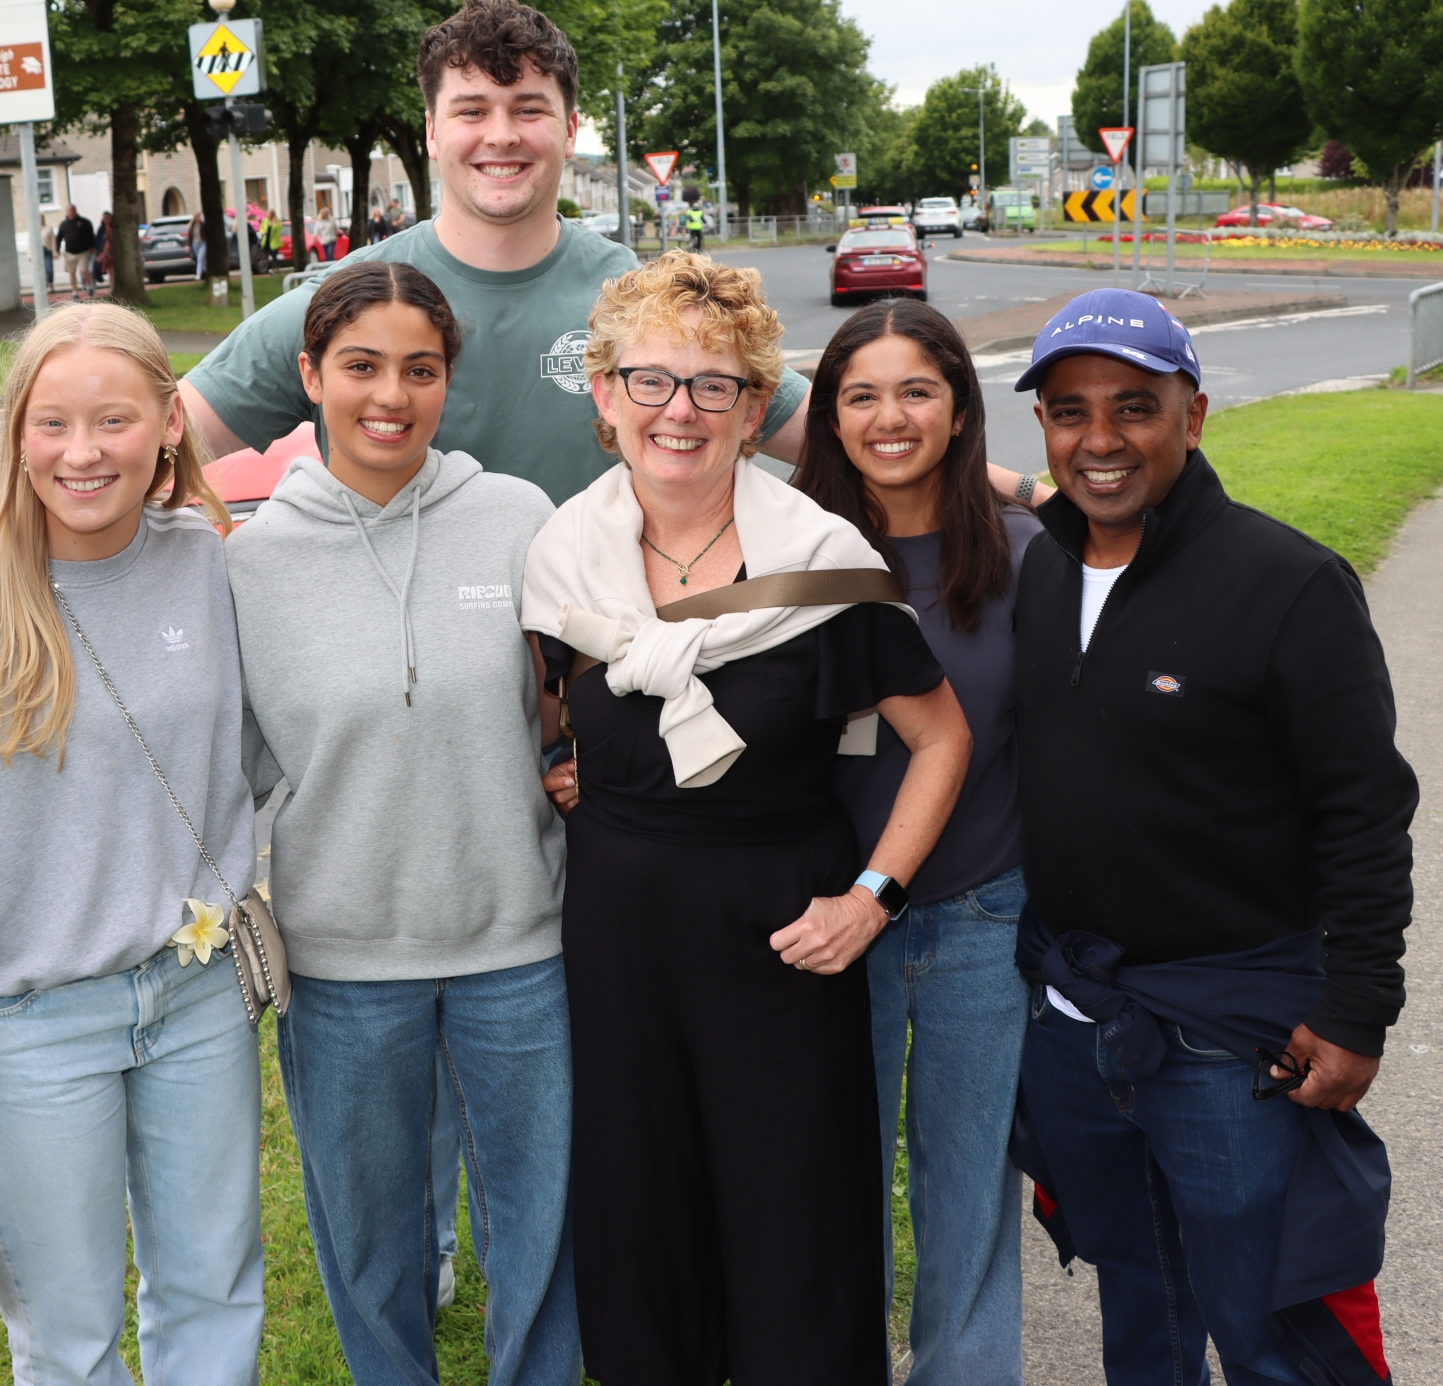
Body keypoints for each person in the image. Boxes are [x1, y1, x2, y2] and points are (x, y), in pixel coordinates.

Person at [0, 0, 814, 545]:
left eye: (528, 108)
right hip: (417, 715)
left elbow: (841, 447)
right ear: (430, 129)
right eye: (471, 110)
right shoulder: (350, 301)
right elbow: (147, 441)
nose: (500, 135)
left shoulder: (642, 300)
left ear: (569, 129)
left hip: (601, 718)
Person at [523, 252, 973, 1385]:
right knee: (639, 1215)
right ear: (605, 395)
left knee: (793, 1225)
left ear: (754, 404)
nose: (680, 410)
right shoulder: (563, 557)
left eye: (713, 384)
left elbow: (942, 739)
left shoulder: (821, 564)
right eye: (652, 380)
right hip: (620, 939)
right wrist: (560, 763)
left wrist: (873, 902)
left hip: (780, 941)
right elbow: (549, 708)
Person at [1008, 288, 1415, 1384]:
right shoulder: (1038, 571)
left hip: (1235, 1037)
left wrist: (1358, 1011)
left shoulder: (1290, 584)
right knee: (1141, 1302)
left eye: (1134, 407)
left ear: (1194, 413)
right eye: (1068, 409)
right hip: (1078, 1025)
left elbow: (1365, 812)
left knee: (1276, 1323)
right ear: (1041, 423)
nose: (1099, 438)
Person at [226, 262, 576, 1386]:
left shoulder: (517, 517)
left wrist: (580, 766)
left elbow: (573, 697)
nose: (392, 395)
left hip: (519, 945)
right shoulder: (246, 565)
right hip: (342, 963)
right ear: (310, 376)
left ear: (447, 380)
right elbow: (225, 762)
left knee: (544, 1226)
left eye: (420, 369)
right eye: (362, 366)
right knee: (370, 1241)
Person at [0, 304, 262, 1386]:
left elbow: (265, 751)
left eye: (113, 419)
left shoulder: (218, 565)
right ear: (18, 433)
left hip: (195, 994)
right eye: (52, 422)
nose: (82, 450)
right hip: (31, 1017)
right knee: (67, 1330)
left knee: (212, 1285)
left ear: (166, 422)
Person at [797, 300, 1041, 1384]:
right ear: (828, 417)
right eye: (861, 395)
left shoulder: (1031, 558)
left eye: (916, 391)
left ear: (958, 408)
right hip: (822, 924)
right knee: (827, 1184)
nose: (889, 417)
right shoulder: (789, 551)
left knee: (968, 1190)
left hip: (984, 913)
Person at [57, 203, 95, 299]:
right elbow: (59, 238)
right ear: (67, 212)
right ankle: (74, 291)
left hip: (83, 252)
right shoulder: (63, 224)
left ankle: (89, 286)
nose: (71, 212)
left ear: (75, 211)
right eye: (69, 210)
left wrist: (92, 246)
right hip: (70, 253)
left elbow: (91, 235)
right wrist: (56, 250)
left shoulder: (84, 222)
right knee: (72, 272)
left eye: (72, 210)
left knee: (84, 269)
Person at [92, 209, 114, 294]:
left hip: (112, 252)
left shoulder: (114, 229)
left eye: (108, 218)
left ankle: (112, 287)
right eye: (105, 218)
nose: (106, 219)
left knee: (112, 271)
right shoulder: (101, 229)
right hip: (104, 252)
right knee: (107, 269)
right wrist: (98, 251)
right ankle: (111, 287)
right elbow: (98, 240)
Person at [189, 208, 207, 281]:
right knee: (201, 259)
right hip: (195, 243)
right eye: (198, 216)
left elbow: (206, 233)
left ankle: (198, 274)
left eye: (200, 216)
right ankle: (206, 272)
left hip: (202, 243)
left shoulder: (203, 224)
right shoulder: (192, 225)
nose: (199, 218)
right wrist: (188, 245)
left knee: (200, 258)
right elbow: (190, 236)